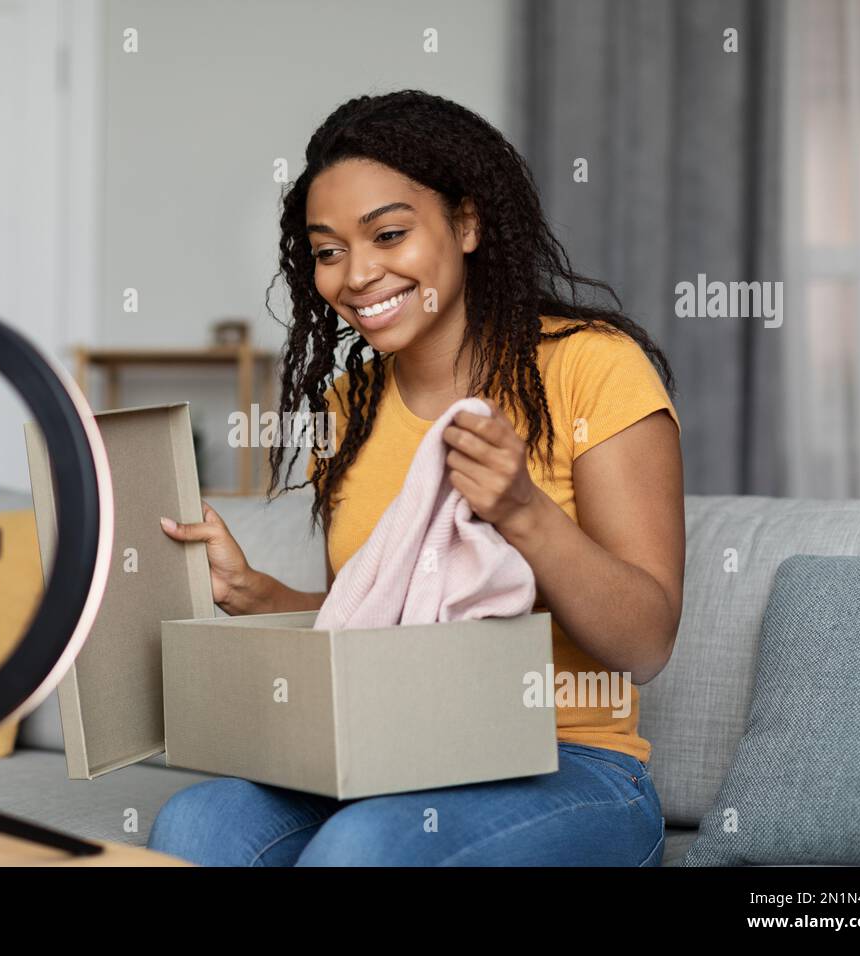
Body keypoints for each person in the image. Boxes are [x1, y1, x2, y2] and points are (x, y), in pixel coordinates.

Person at [149, 90, 683, 866]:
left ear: (466, 224)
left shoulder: (591, 368)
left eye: (388, 234)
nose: (357, 275)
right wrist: (256, 594)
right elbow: (382, 622)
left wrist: (524, 512)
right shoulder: (350, 405)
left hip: (571, 762)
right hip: (395, 753)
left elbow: (647, 642)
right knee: (194, 824)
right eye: (329, 251)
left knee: (365, 847)